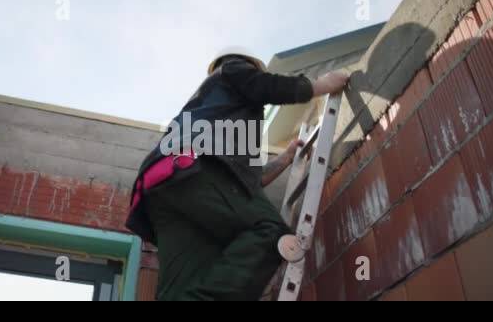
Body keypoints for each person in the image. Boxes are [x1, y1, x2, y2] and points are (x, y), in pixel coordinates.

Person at [126, 47, 348, 301]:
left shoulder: (211, 112)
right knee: (269, 230)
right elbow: (266, 86)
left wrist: (284, 159)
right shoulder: (233, 68)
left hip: (160, 188)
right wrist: (321, 85)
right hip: (195, 171)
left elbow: (247, 182)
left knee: (181, 284)